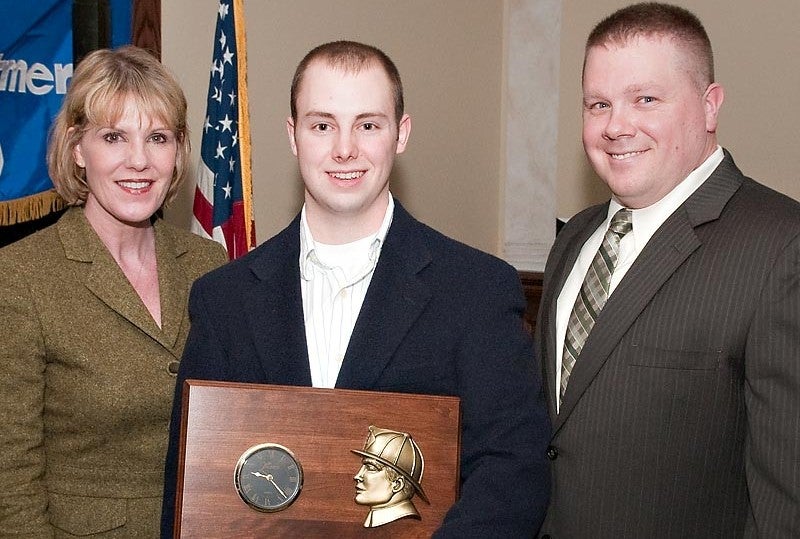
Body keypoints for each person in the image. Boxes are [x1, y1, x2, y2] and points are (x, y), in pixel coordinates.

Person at [161, 40, 550, 537]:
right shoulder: (224, 299)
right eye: (322, 125)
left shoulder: (475, 290)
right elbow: (191, 486)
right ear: (293, 135)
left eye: (368, 124)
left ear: (400, 134)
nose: (345, 148)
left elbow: (513, 470)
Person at [536, 3, 800, 538]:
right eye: (598, 104)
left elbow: (786, 498)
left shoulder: (782, 245)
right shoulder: (574, 239)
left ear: (709, 107)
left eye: (646, 99)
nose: (615, 126)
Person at [0, 46, 227, 536]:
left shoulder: (210, 265)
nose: (139, 161)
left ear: (178, 150)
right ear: (78, 149)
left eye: (158, 137)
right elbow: (11, 479)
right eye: (114, 137)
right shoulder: (21, 275)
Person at [351, 425, 426, 528]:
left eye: (371, 468)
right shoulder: (377, 520)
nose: (358, 476)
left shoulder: (406, 529)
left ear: (397, 484)